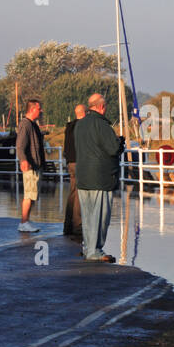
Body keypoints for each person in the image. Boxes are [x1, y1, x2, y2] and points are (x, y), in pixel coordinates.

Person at [74, 93, 124, 262]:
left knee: (87, 216)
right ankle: (95, 251)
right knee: (100, 216)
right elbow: (113, 149)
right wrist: (120, 142)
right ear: (102, 106)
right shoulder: (102, 125)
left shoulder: (79, 125)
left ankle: (88, 247)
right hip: (100, 177)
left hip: (83, 176)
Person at [16, 99, 45, 233]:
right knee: (29, 195)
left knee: (32, 195)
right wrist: (23, 160)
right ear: (33, 109)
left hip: (35, 164)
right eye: (39, 109)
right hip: (29, 166)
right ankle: (23, 222)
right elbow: (20, 145)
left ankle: (26, 220)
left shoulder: (33, 125)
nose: (41, 111)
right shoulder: (26, 124)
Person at [61, 103, 86, 239]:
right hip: (79, 162)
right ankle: (77, 226)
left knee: (72, 192)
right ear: (84, 113)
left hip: (70, 161)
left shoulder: (69, 127)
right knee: (78, 194)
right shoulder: (82, 126)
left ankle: (67, 224)